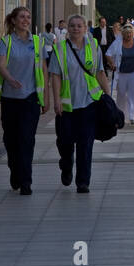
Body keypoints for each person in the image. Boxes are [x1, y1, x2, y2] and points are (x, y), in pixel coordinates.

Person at [49, 14, 112, 192]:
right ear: (67, 29)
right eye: (72, 26)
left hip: (89, 103)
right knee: (65, 143)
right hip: (67, 106)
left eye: (79, 26)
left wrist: (108, 97)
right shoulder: (60, 49)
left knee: (86, 144)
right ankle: (66, 166)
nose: (76, 29)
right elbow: (55, 76)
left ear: (85, 28)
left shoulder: (93, 47)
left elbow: (100, 73)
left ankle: (83, 182)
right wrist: (57, 100)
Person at [0, 5, 49, 194]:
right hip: (10, 98)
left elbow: (43, 70)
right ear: (14, 20)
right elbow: (0, 65)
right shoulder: (6, 41)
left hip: (30, 98)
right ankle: (14, 170)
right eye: (22, 17)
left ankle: (26, 181)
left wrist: (46, 97)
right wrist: (10, 78)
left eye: (28, 17)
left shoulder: (37, 41)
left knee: (26, 139)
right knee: (11, 140)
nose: (25, 20)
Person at [105, 22, 134, 124]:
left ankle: (132, 116)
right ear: (122, 34)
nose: (128, 35)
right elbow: (108, 54)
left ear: (133, 33)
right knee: (122, 95)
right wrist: (112, 63)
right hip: (121, 73)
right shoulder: (118, 43)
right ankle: (121, 115)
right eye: (126, 33)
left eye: (130, 33)